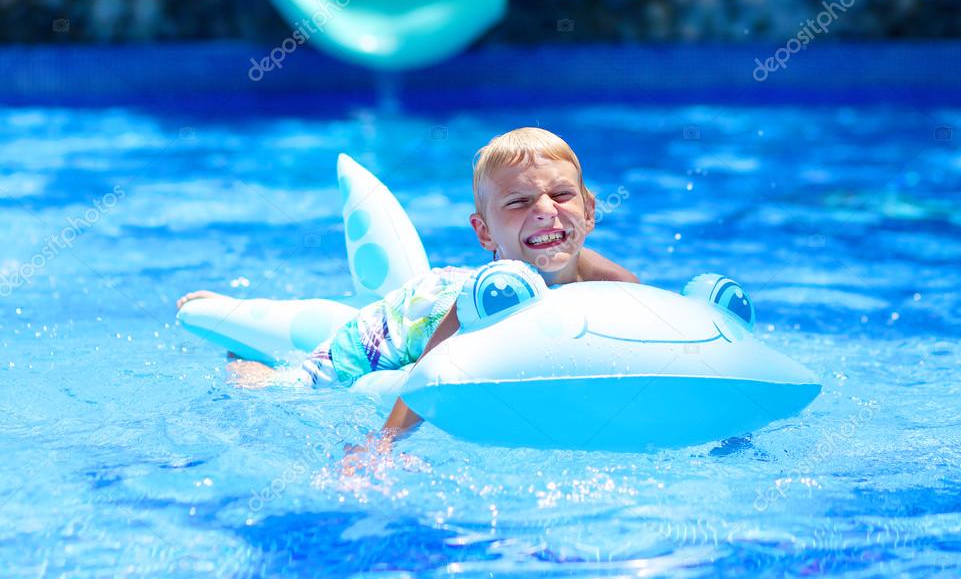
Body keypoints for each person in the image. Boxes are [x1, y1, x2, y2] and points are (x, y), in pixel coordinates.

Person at [176, 127, 638, 450]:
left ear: (589, 211)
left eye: (561, 195)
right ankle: (244, 351)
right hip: (410, 317)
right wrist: (381, 446)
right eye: (518, 202)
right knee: (294, 385)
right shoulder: (487, 299)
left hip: (454, 285)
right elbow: (429, 370)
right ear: (484, 233)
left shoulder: (615, 283)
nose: (545, 210)